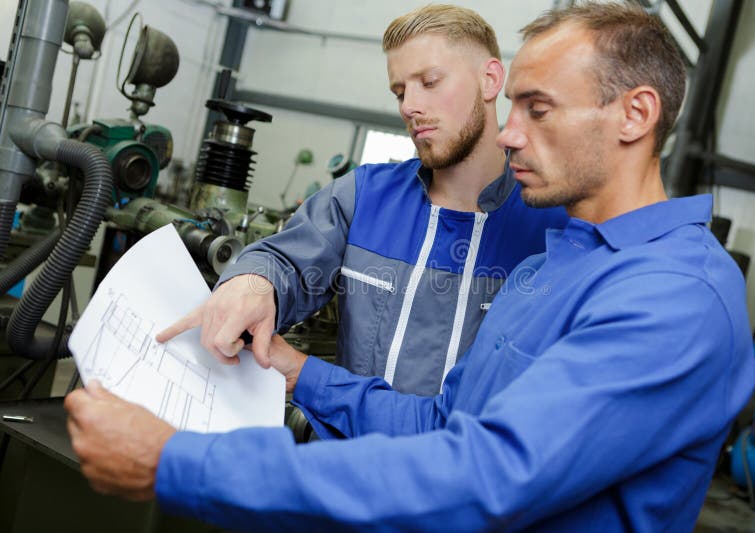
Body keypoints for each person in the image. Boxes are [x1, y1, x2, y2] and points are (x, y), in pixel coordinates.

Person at [65, 2, 755, 531]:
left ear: (636, 113)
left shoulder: (675, 296)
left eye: (537, 108)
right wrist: (298, 369)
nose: (510, 131)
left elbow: (486, 474)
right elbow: (439, 428)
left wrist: (177, 462)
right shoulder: (552, 266)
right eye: (514, 106)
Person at [157, 4, 568, 396]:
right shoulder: (363, 196)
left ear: (490, 80)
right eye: (399, 91)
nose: (410, 106)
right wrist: (254, 281)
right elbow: (286, 262)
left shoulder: (551, 224)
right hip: (345, 461)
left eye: (430, 82)